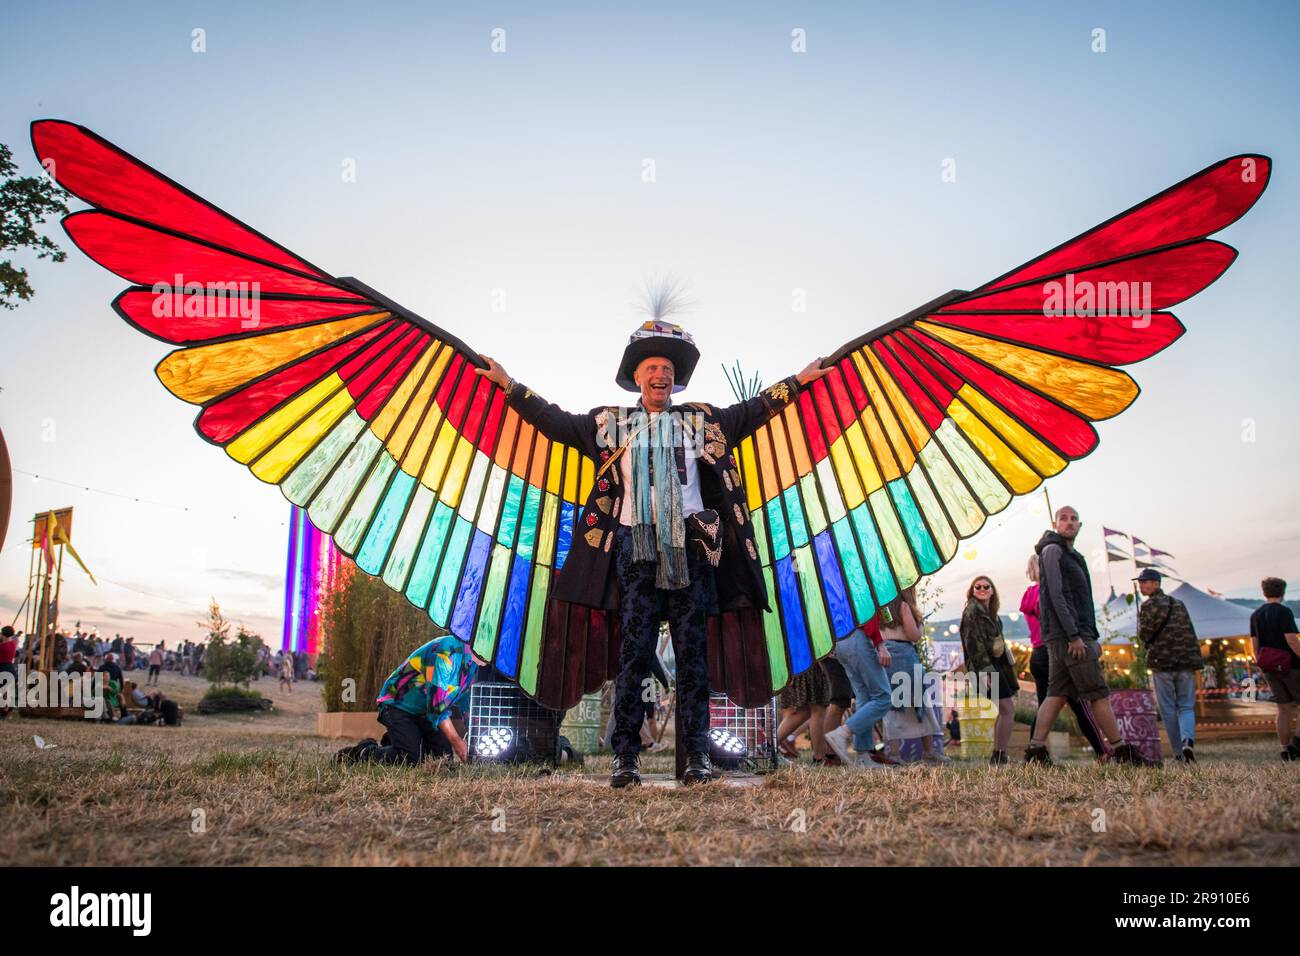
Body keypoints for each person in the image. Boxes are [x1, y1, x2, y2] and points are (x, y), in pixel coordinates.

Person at [477, 308, 830, 787]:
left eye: (667, 369)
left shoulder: (703, 421)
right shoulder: (610, 423)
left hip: (690, 546)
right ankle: (626, 758)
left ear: (675, 379)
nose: (660, 374)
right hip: (634, 546)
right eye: (651, 369)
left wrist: (800, 380)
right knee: (635, 653)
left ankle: (698, 758)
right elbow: (552, 421)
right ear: (637, 378)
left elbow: (757, 409)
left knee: (693, 654)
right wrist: (509, 385)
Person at [1025, 506, 1146, 765]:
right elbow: (1056, 596)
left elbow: (1079, 598)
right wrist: (1075, 636)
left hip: (1071, 635)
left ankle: (1035, 751)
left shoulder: (1069, 554)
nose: (1069, 523)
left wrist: (1090, 634)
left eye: (1074, 519)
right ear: (1055, 524)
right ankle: (1121, 751)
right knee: (1097, 692)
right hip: (1069, 637)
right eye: (1064, 519)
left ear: (1080, 525)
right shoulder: (1053, 551)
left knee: (1056, 693)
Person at [1022, 555, 1108, 758]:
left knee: (1047, 705)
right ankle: (1103, 752)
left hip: (1037, 655)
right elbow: (1058, 619)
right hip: (1054, 651)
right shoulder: (1045, 594)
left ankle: (1034, 749)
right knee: (1080, 704)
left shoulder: (1028, 593)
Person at [347, 636, 480, 765]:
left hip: (425, 713)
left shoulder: (473, 665)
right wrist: (457, 741)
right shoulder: (446, 652)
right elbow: (436, 707)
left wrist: (474, 734)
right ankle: (364, 751)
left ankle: (396, 740)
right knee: (410, 758)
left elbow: (465, 702)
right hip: (397, 704)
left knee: (443, 759)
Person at [1134, 569, 1202, 762]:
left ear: (1156, 583)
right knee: (1187, 706)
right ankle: (1188, 740)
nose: (1141, 586)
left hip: (1161, 662)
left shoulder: (1148, 606)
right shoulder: (1178, 604)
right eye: (1140, 582)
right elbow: (1190, 631)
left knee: (1168, 709)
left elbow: (1145, 635)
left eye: (1145, 582)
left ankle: (1179, 753)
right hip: (1185, 661)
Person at [822, 618, 895, 770]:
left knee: (864, 697)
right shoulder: (863, 592)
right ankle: (842, 733)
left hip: (841, 639)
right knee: (883, 698)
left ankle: (863, 757)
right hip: (858, 636)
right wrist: (880, 644)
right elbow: (866, 612)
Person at [959, 576, 1018, 764]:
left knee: (1005, 710)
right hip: (985, 666)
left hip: (997, 665)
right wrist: (984, 671)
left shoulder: (991, 613)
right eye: (978, 587)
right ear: (972, 591)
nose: (982, 589)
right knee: (1008, 709)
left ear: (992, 590)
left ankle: (999, 754)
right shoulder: (972, 611)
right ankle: (999, 754)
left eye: (986, 586)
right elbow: (972, 643)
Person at [1249, 577, 1300, 761]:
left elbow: (1254, 644)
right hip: (1291, 665)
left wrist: (1260, 663)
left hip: (1268, 666)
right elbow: (1291, 640)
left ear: (1264, 592)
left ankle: (1285, 749)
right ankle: (1297, 743)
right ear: (1283, 592)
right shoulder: (1284, 612)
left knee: (1282, 708)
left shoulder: (1256, 615)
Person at [776, 664, 831, 763]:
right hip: (810, 663)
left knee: (802, 712)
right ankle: (819, 757)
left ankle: (769, 746)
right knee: (818, 710)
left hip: (795, 666)